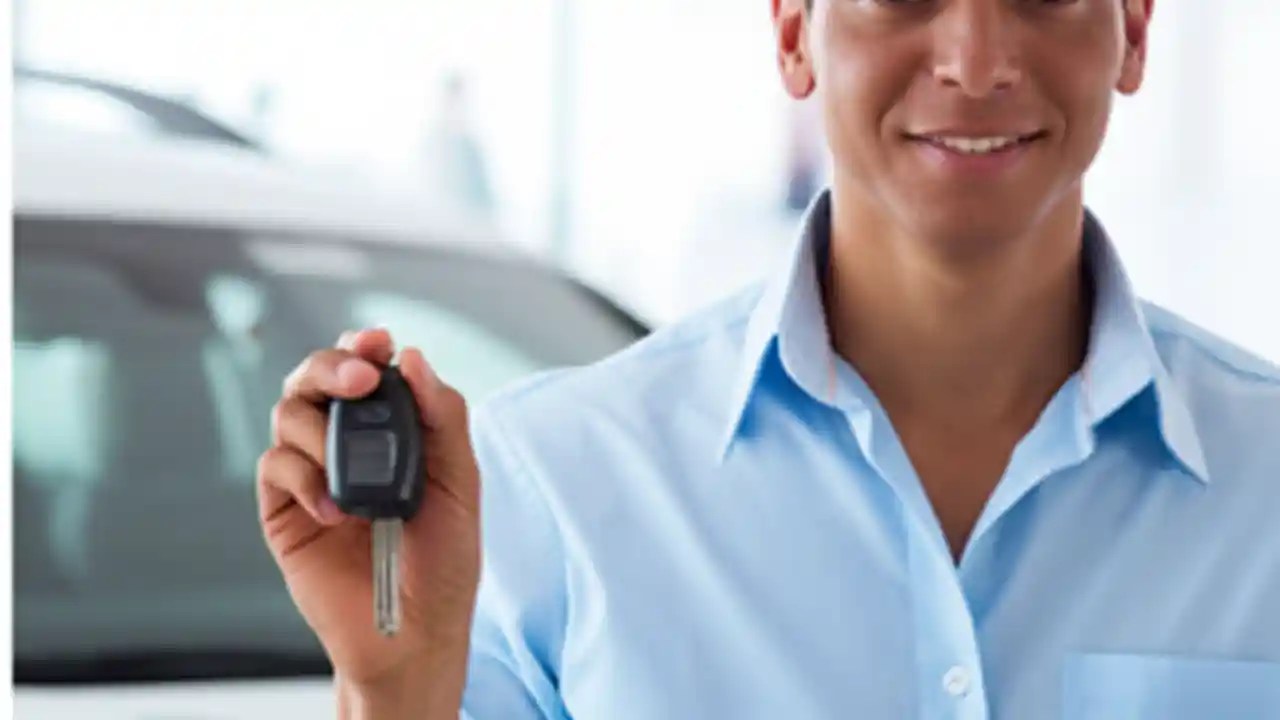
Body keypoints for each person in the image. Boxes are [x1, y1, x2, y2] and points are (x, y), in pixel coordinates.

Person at [256, 1, 1280, 717]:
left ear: (1133, 30)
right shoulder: (550, 487)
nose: (975, 62)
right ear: (795, 34)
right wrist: (398, 691)